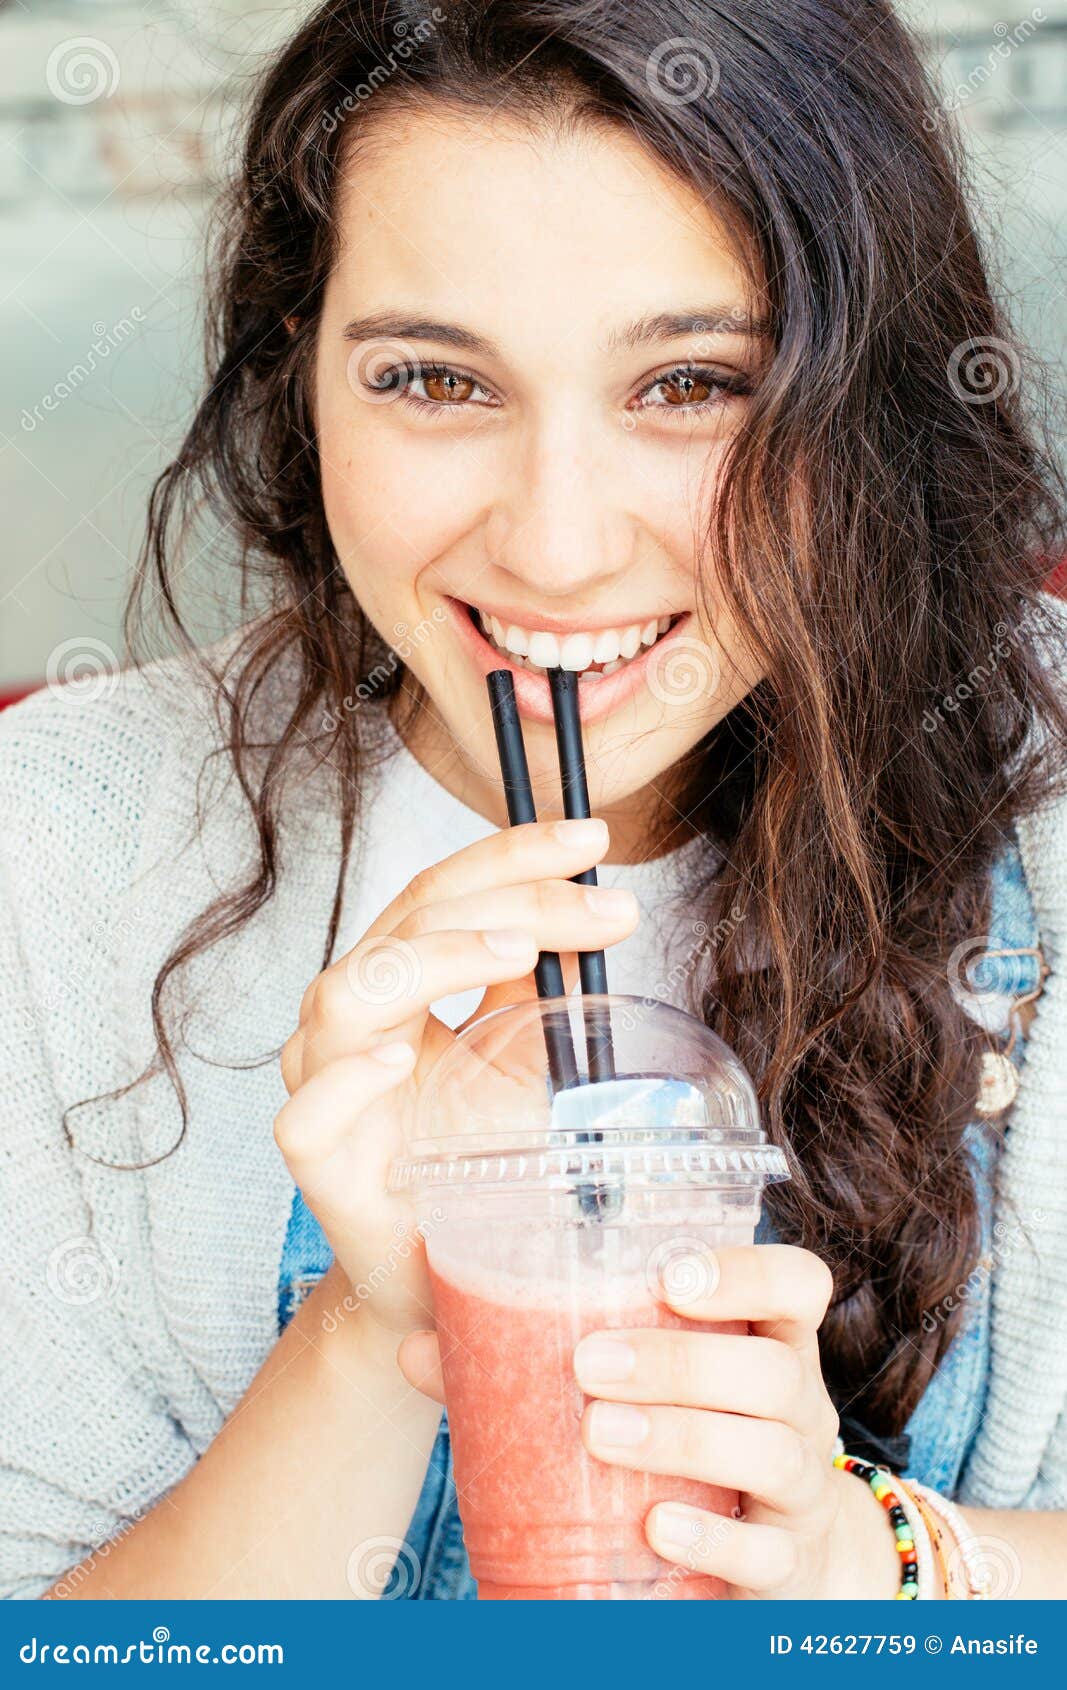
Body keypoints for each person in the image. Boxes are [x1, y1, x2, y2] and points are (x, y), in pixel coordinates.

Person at [2, 0, 1066, 1602]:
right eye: (436, 380)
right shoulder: (56, 853)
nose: (558, 548)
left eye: (694, 382)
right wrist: (370, 1339)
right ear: (303, 383)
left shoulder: (1043, 801)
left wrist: (880, 1562)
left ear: (868, 397)